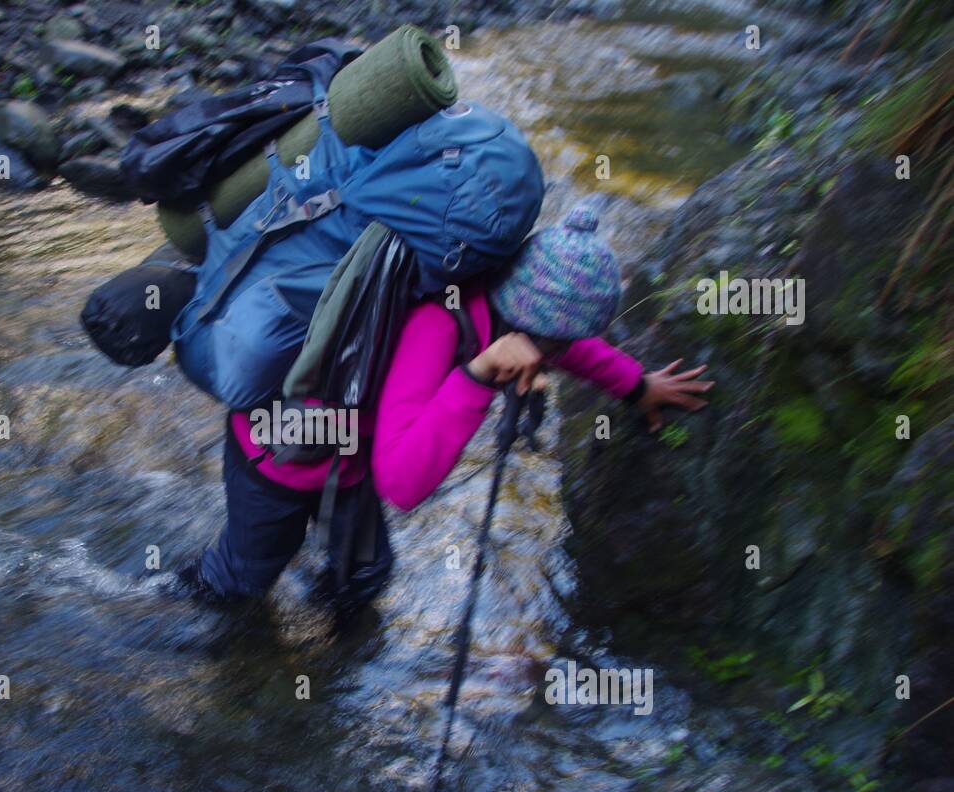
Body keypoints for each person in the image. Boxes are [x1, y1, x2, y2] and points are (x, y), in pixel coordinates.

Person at [176, 201, 713, 617]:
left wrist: (637, 386)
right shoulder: (439, 322)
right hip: (282, 454)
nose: (559, 354)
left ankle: (321, 677)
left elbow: (569, 345)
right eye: (554, 342)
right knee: (240, 582)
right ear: (529, 324)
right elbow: (403, 484)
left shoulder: (504, 293)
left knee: (362, 579)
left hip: (350, 455)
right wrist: (477, 377)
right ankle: (167, 608)